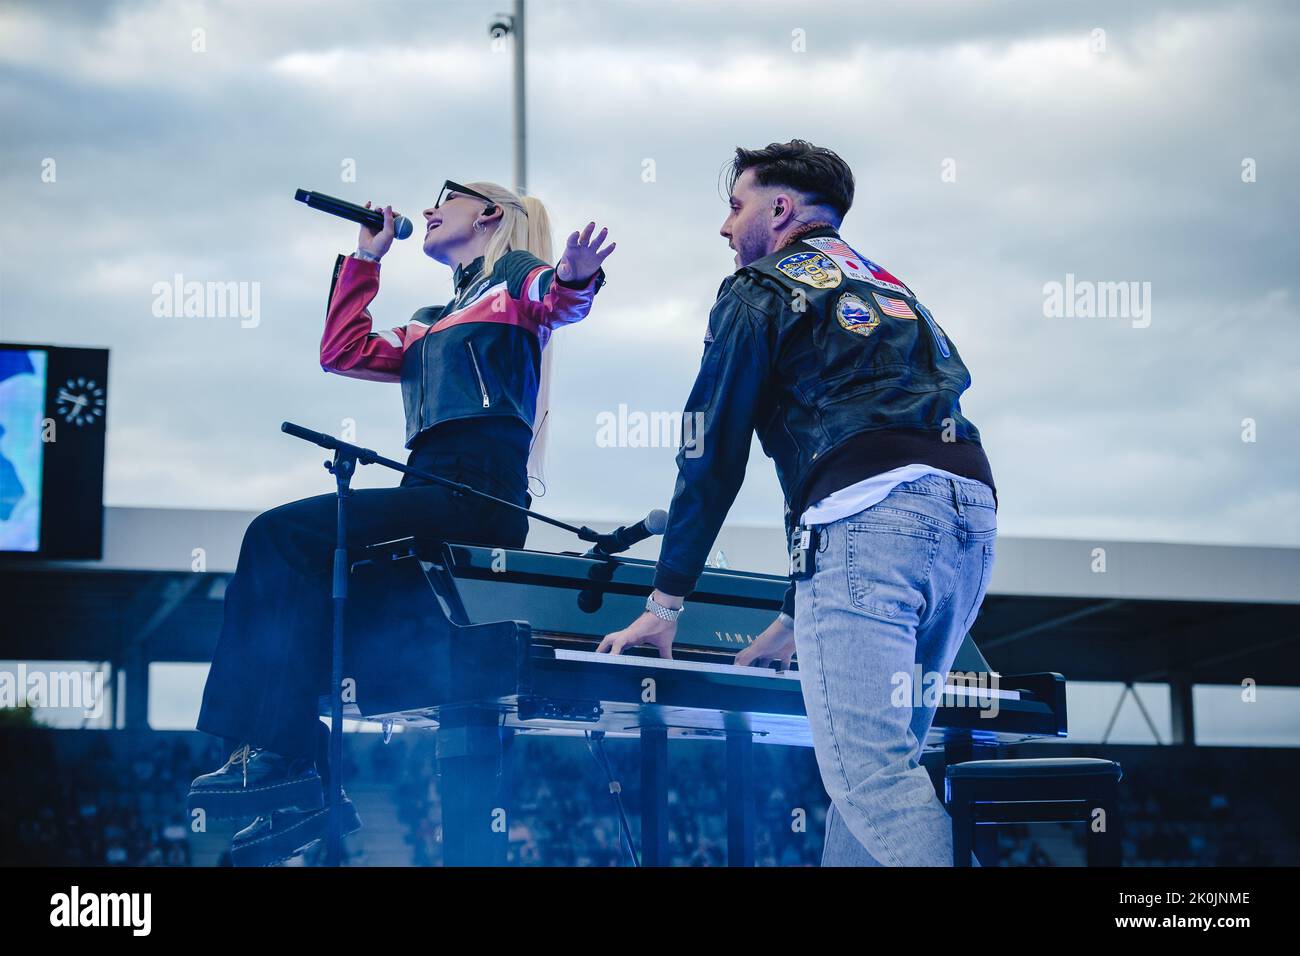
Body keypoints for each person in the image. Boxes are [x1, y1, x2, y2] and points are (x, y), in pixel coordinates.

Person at [188, 179, 615, 865]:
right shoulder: (429, 317)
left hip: (476, 496)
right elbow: (342, 351)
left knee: (278, 535)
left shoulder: (512, 280)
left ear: (488, 214)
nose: (426, 208)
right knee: (320, 591)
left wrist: (577, 275)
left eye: (446, 195)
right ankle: (305, 780)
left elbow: (557, 300)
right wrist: (366, 258)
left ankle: (286, 761)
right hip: (430, 488)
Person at [598, 140, 996, 866]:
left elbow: (710, 455)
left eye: (736, 205)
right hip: (968, 510)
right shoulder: (889, 287)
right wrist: (794, 611)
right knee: (885, 765)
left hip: (870, 516)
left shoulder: (758, 289)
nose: (725, 228)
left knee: (868, 774)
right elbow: (848, 444)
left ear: (780, 209)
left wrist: (663, 606)